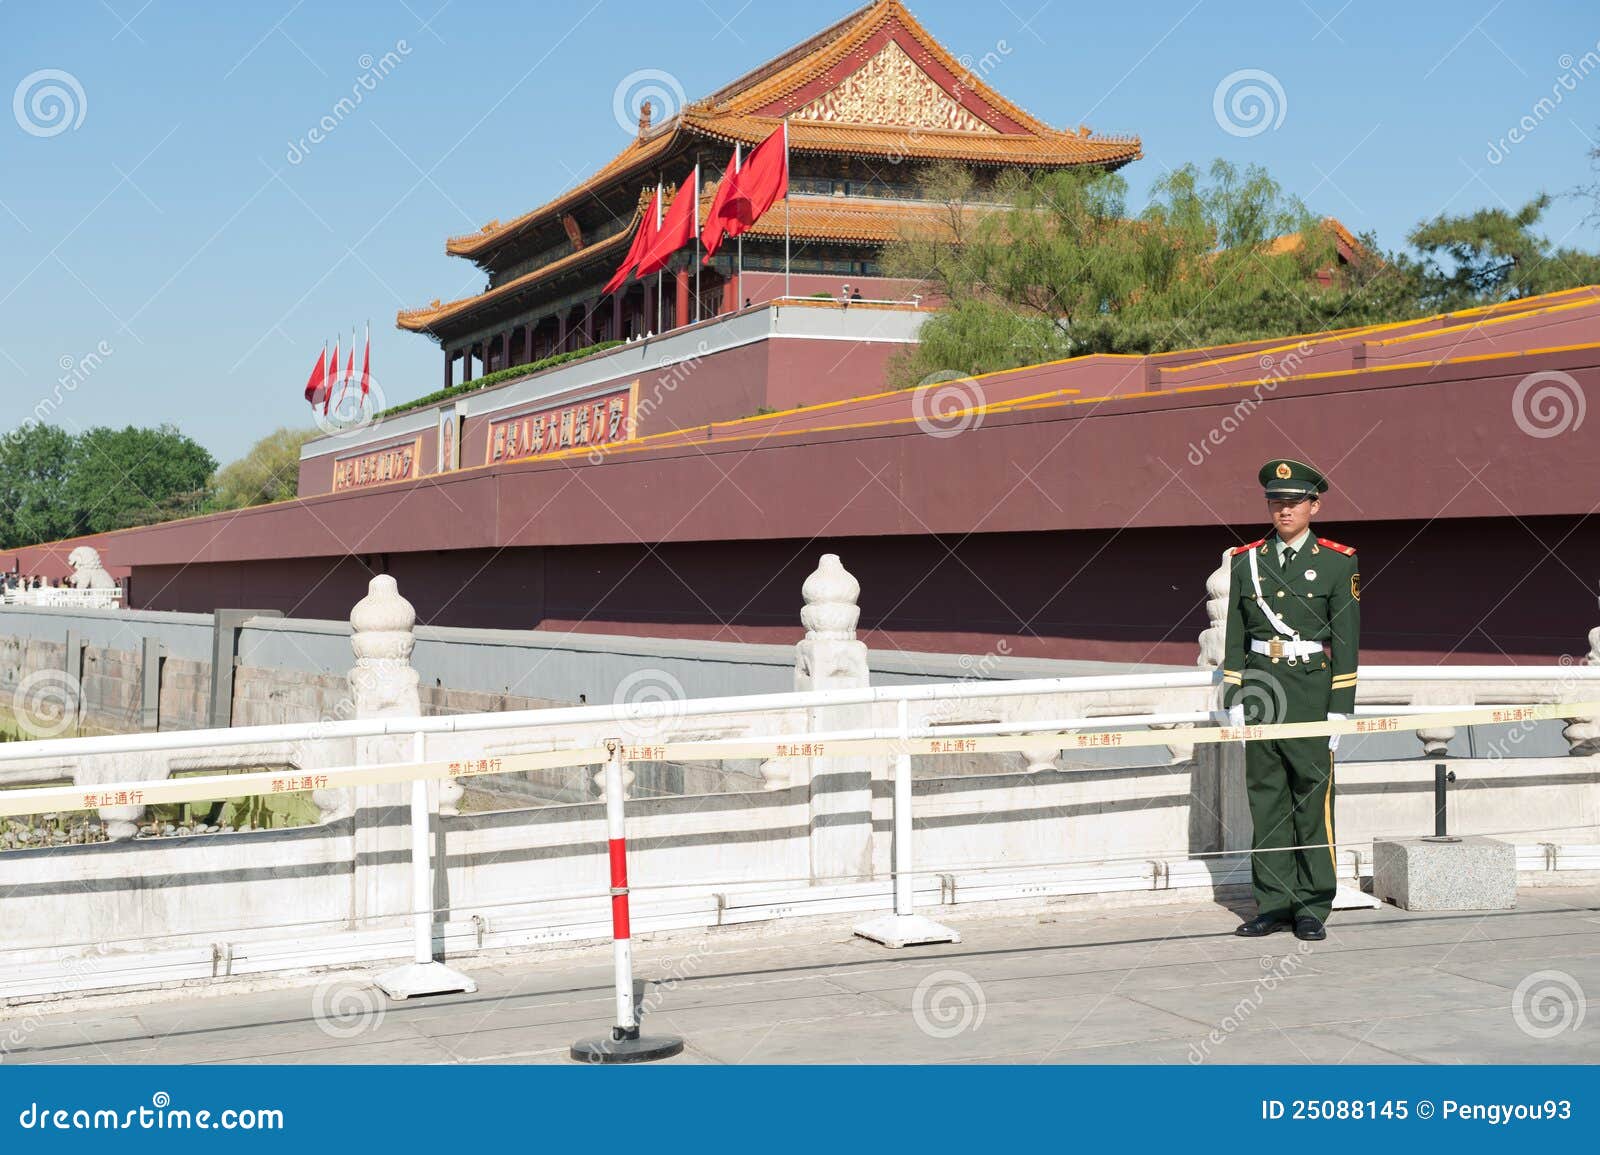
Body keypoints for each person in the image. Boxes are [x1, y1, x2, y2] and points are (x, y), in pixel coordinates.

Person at [1220, 459, 1360, 941]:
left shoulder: (1339, 561)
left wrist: (1342, 704)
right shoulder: (1246, 559)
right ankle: (1273, 902)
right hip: (1261, 685)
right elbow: (1235, 633)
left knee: (1311, 795)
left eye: (1294, 502)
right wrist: (1233, 691)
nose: (1284, 510)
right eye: (1276, 502)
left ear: (1314, 506)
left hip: (1309, 687)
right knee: (1267, 796)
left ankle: (1313, 904)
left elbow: (1346, 637)